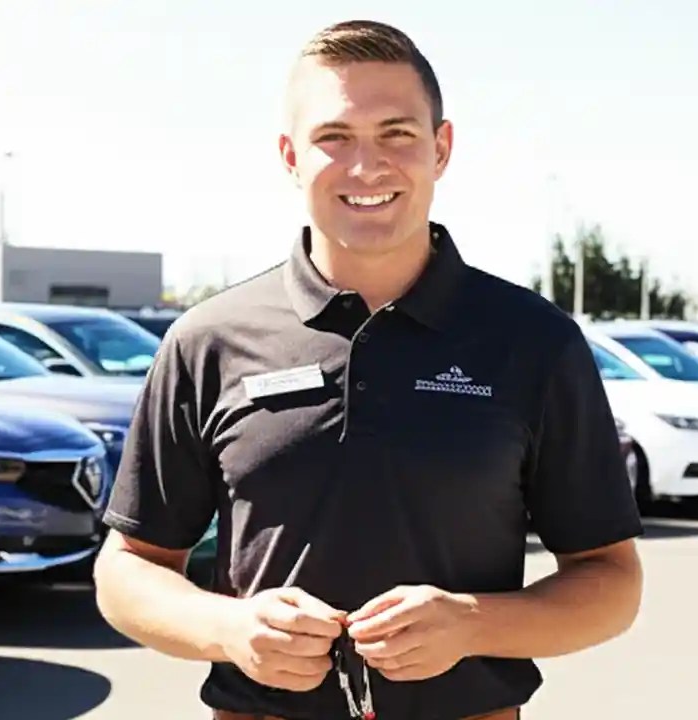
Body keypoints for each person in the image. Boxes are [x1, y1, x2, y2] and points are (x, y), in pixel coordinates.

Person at [93, 19, 644, 720]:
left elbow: (611, 582)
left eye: (396, 134)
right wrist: (230, 629)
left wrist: (473, 623)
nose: (366, 167)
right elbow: (128, 567)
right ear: (291, 156)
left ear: (440, 149)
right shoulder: (211, 340)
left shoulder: (533, 342)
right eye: (335, 138)